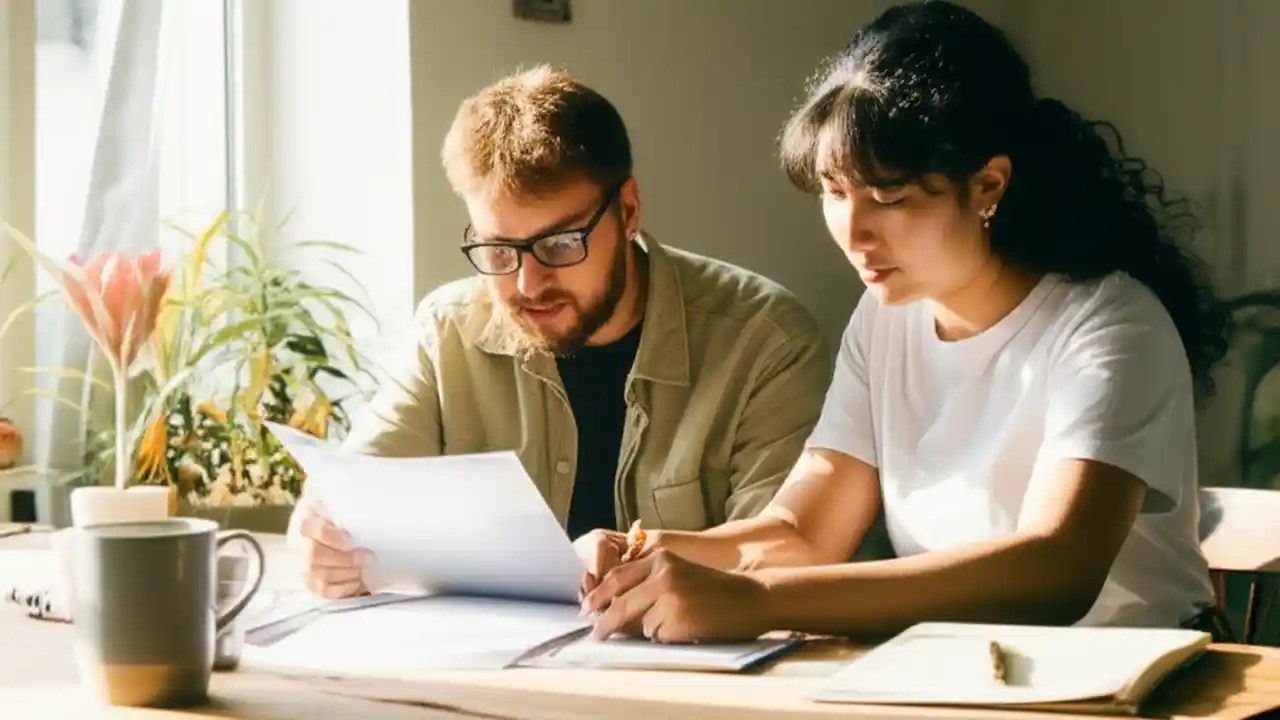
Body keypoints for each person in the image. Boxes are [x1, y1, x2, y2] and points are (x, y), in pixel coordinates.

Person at [580, 0, 1232, 643]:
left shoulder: (1111, 326)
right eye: (836, 193)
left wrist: (757, 598)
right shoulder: (886, 318)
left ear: (987, 185)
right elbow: (804, 532)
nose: (854, 231)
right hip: (957, 677)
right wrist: (645, 550)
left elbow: (1055, 570)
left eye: (889, 197)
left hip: (1134, 683)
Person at [287, 66, 832, 599]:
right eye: (498, 250)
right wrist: (323, 540)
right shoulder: (447, 331)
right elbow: (353, 492)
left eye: (560, 244)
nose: (529, 282)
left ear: (629, 210)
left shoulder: (765, 342)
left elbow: (785, 557)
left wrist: (637, 557)